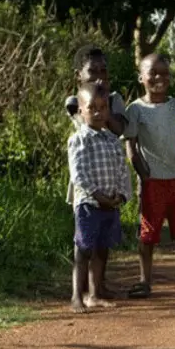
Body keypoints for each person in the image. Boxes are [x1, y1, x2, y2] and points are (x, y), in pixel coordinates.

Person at [123, 52, 175, 297]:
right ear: (141, 77)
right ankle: (144, 281)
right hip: (153, 182)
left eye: (164, 73)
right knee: (148, 233)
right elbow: (131, 147)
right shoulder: (135, 109)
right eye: (152, 73)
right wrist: (144, 176)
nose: (159, 77)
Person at [67, 83, 130, 313]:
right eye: (91, 107)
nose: (98, 112)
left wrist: (121, 195)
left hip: (110, 204)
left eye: (103, 108)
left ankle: (95, 294)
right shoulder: (78, 140)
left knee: (103, 249)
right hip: (88, 204)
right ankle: (77, 296)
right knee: (83, 249)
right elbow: (78, 173)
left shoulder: (113, 140)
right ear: (80, 111)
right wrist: (97, 195)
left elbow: (122, 169)